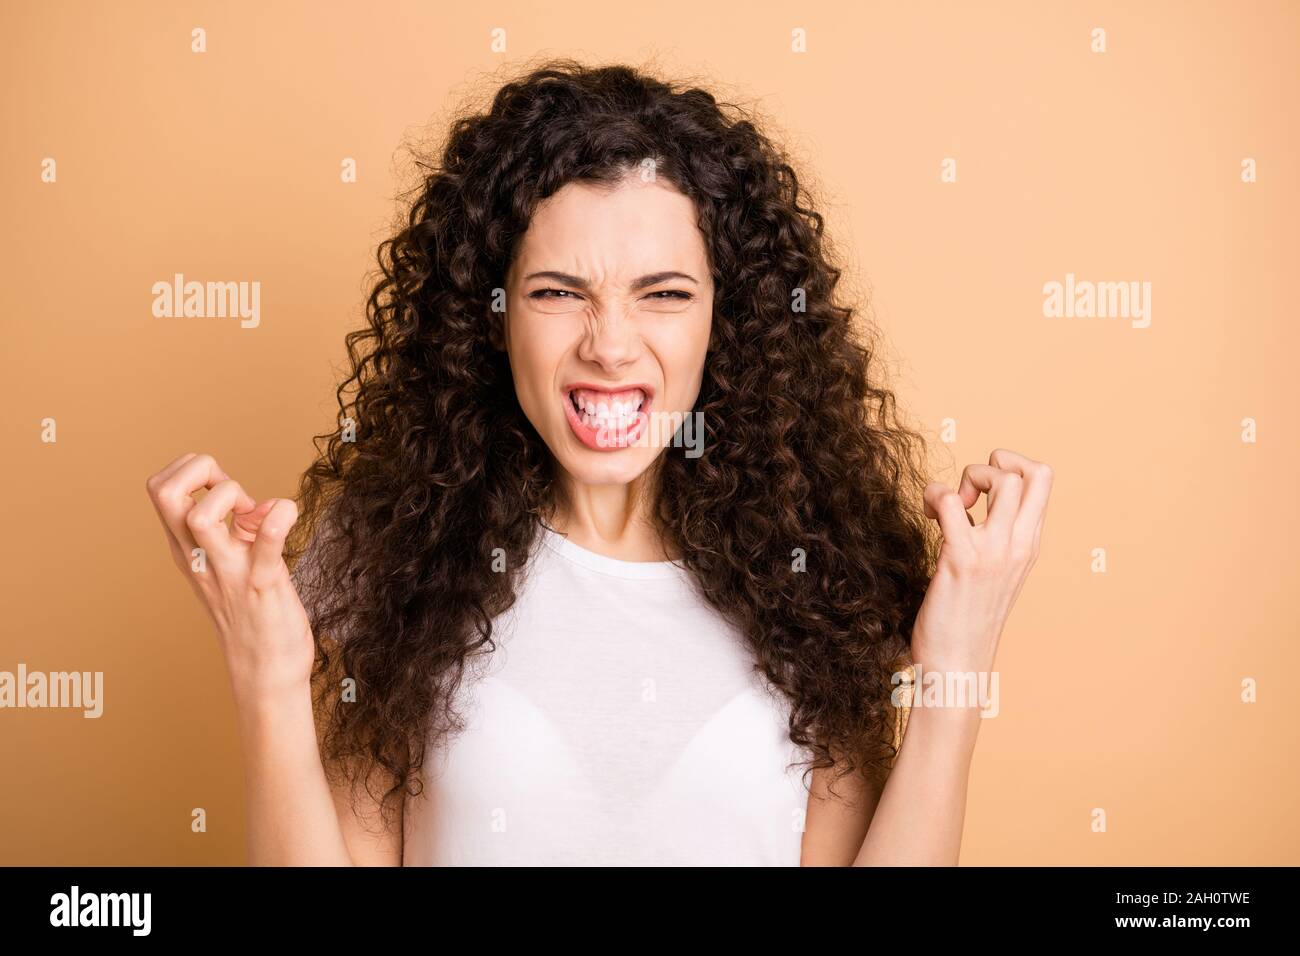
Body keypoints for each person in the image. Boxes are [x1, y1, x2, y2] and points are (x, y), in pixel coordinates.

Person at [143, 60, 1052, 866]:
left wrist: (956, 667)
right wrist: (266, 677)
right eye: (557, 292)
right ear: (492, 318)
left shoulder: (816, 588)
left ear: (722, 322)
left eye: (664, 294)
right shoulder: (393, 567)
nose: (611, 346)